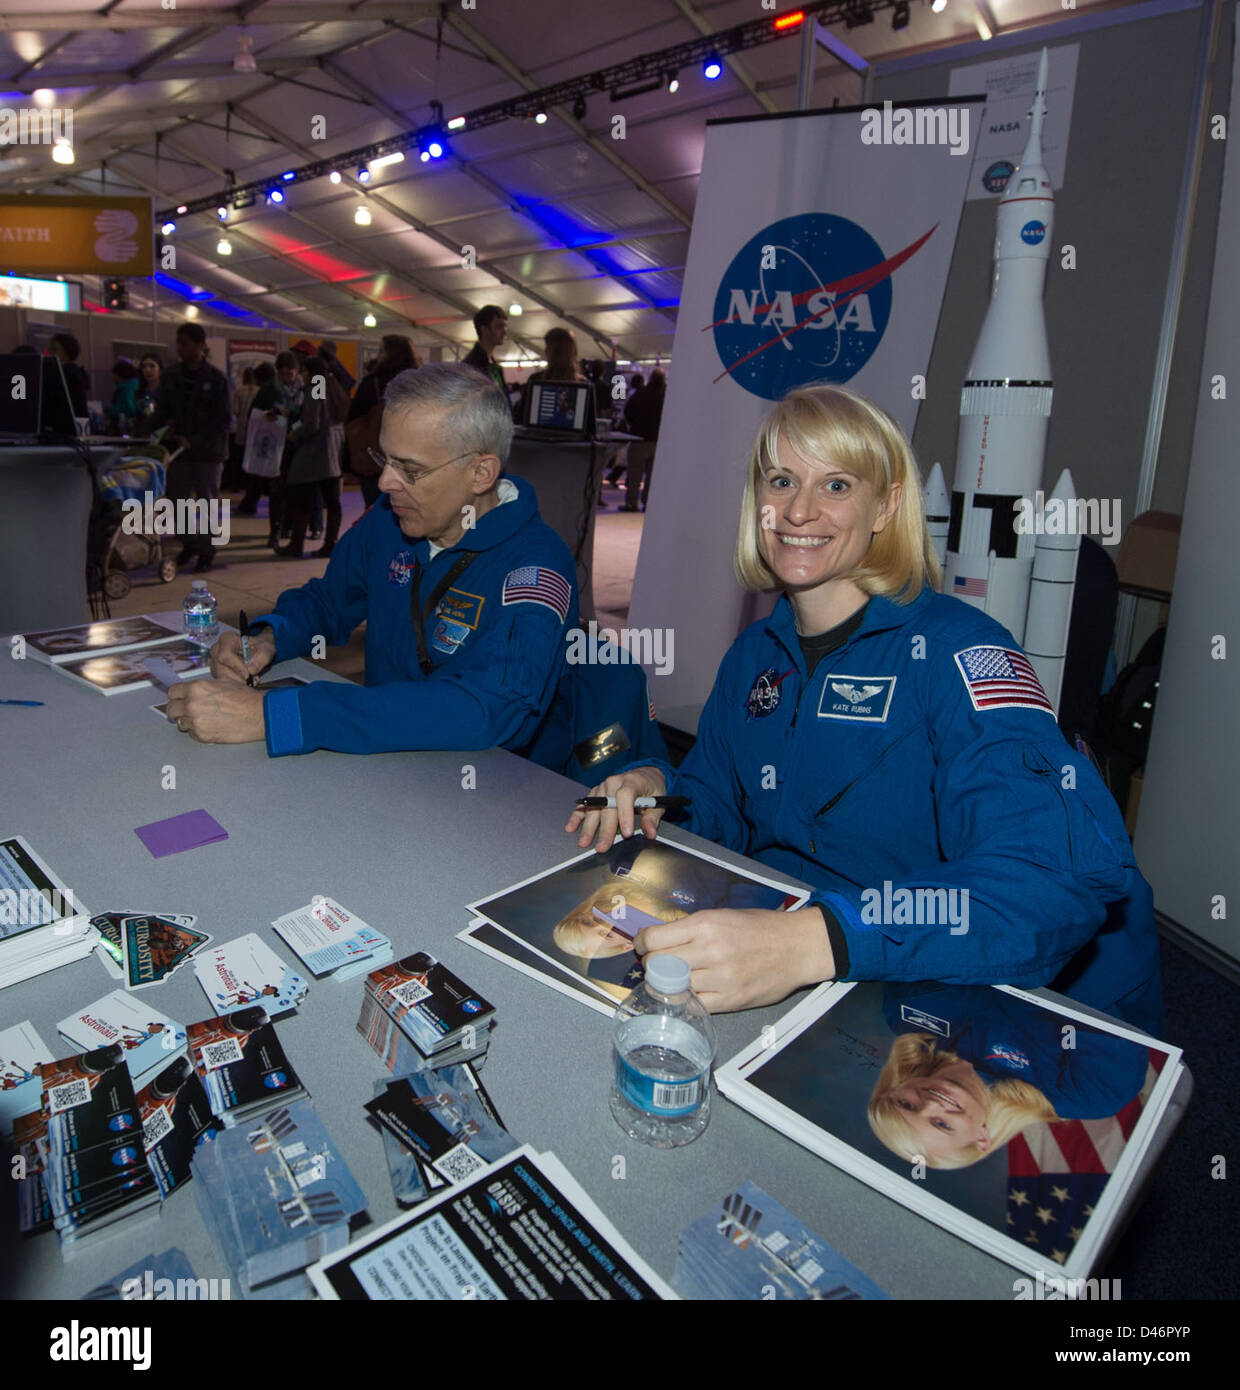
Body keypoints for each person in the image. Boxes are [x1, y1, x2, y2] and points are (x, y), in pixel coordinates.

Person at [567, 384, 1163, 1037]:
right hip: (802, 956)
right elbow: (722, 807)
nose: (799, 510)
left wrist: (809, 944)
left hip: (935, 978)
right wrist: (658, 789)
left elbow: (1049, 879)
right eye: (783, 480)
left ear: (887, 506)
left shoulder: (961, 653)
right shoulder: (753, 655)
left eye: (838, 485)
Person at [166, 364, 578, 758]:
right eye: (385, 459)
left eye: (409, 469)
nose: (384, 482)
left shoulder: (537, 568)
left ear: (480, 473)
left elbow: (488, 709)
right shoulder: (389, 520)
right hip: (382, 765)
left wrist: (276, 715)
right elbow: (329, 601)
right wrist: (268, 637)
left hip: (489, 790)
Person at [868, 982, 1150, 1168]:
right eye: (942, 1124)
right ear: (982, 1139)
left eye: (906, 1105)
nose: (930, 1104)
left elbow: (930, 933)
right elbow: (1106, 996)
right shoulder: (1086, 1094)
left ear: (892, 1088)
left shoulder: (908, 1018)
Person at [150, 322, 230, 572]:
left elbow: (222, 421)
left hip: (208, 453)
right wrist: (147, 432)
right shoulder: (172, 376)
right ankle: (191, 543)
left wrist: (194, 440)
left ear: (199, 345)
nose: (179, 348)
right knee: (176, 501)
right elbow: (161, 411)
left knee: (206, 503)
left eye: (184, 343)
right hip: (178, 452)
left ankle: (206, 551)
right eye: (179, 343)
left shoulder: (216, 380)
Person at [278, 356, 342, 560]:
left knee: (303, 499)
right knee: (332, 502)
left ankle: (297, 544)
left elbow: (311, 422)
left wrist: (293, 432)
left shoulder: (316, 385)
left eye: (304, 371)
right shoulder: (331, 385)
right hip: (331, 451)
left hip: (316, 452)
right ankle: (330, 544)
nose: (302, 376)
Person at [346, 335, 420, 510]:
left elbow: (353, 418)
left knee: (375, 510)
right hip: (411, 459)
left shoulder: (373, 383)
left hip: (375, 458)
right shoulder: (418, 382)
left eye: (381, 350)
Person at [622, 368, 665, 512]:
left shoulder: (640, 393)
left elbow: (627, 412)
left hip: (638, 439)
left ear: (651, 378)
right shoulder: (667, 396)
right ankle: (648, 503)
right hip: (658, 442)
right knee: (652, 476)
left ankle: (631, 503)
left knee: (635, 474)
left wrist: (634, 426)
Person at [226, 366, 258, 492]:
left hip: (241, 430)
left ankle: (237, 485)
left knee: (239, 459)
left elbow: (235, 411)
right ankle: (249, 486)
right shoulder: (259, 390)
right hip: (255, 430)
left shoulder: (239, 391)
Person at [462, 305, 508, 393]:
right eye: (499, 326)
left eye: (505, 326)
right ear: (484, 330)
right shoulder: (472, 365)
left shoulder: (492, 365)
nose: (504, 331)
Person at [48, 332, 90, 418]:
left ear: (66, 352)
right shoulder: (73, 372)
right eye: (50, 348)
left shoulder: (68, 374)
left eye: (54, 349)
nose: (50, 352)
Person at [106, 359, 139, 432]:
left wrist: (109, 410)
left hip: (127, 426)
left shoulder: (125, 387)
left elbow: (129, 409)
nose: (113, 377)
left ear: (119, 374)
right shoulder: (137, 384)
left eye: (114, 374)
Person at [133, 353, 162, 437]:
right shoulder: (139, 393)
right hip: (142, 436)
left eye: (152, 366)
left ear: (160, 369)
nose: (147, 370)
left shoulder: (166, 392)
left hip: (161, 437)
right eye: (144, 367)